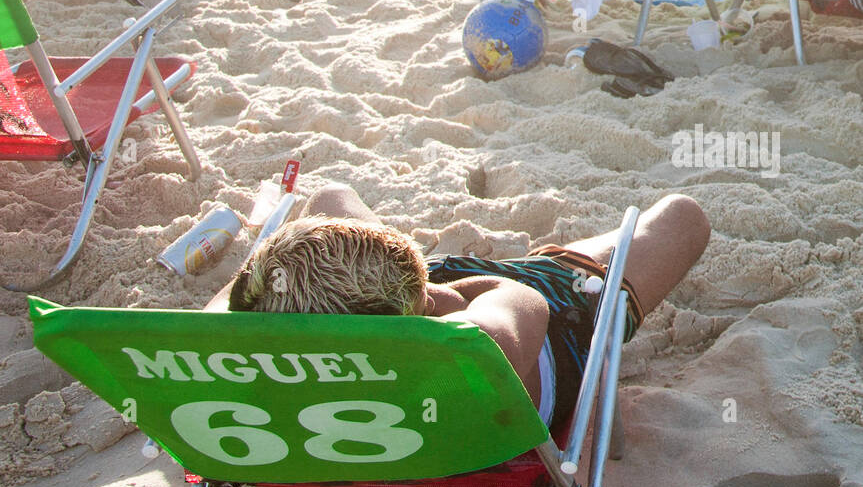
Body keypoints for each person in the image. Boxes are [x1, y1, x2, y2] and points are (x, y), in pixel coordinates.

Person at [210, 182, 710, 434]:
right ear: (422, 312)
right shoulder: (471, 348)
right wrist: (454, 291)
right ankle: (410, 273)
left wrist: (270, 277)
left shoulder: (259, 361)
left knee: (329, 197)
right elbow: (519, 301)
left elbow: (210, 318)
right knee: (682, 215)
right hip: (556, 313)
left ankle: (378, 267)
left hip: (356, 308)